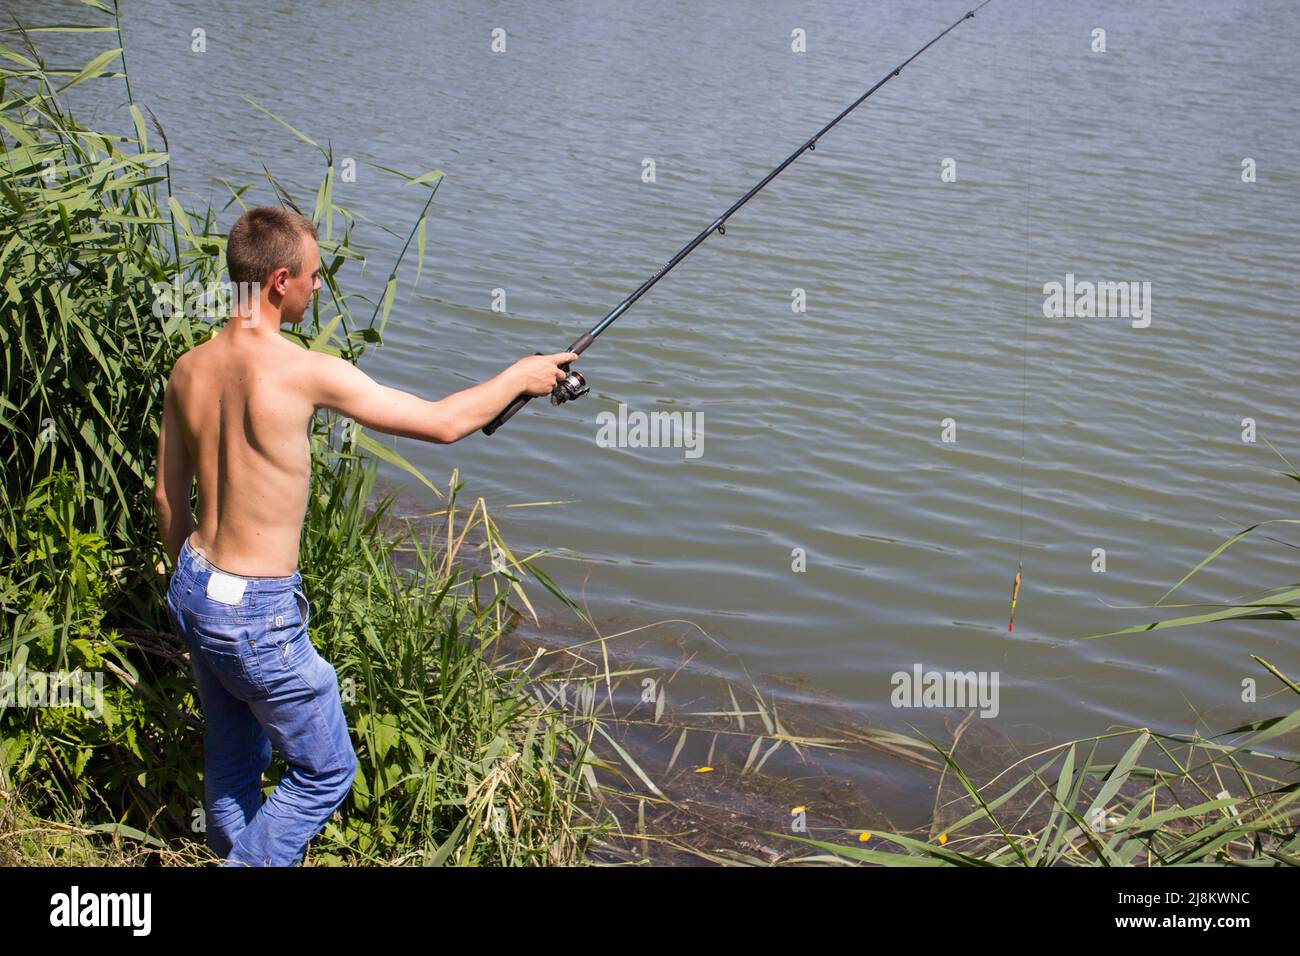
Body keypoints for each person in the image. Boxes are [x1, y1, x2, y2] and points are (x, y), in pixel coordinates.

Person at [153, 205, 575, 866]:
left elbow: (165, 497)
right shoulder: (304, 372)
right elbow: (441, 422)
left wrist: (192, 593)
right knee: (324, 772)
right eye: (314, 278)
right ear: (278, 281)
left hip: (196, 582)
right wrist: (519, 376)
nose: (319, 289)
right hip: (258, 613)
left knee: (234, 760)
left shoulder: (188, 368)